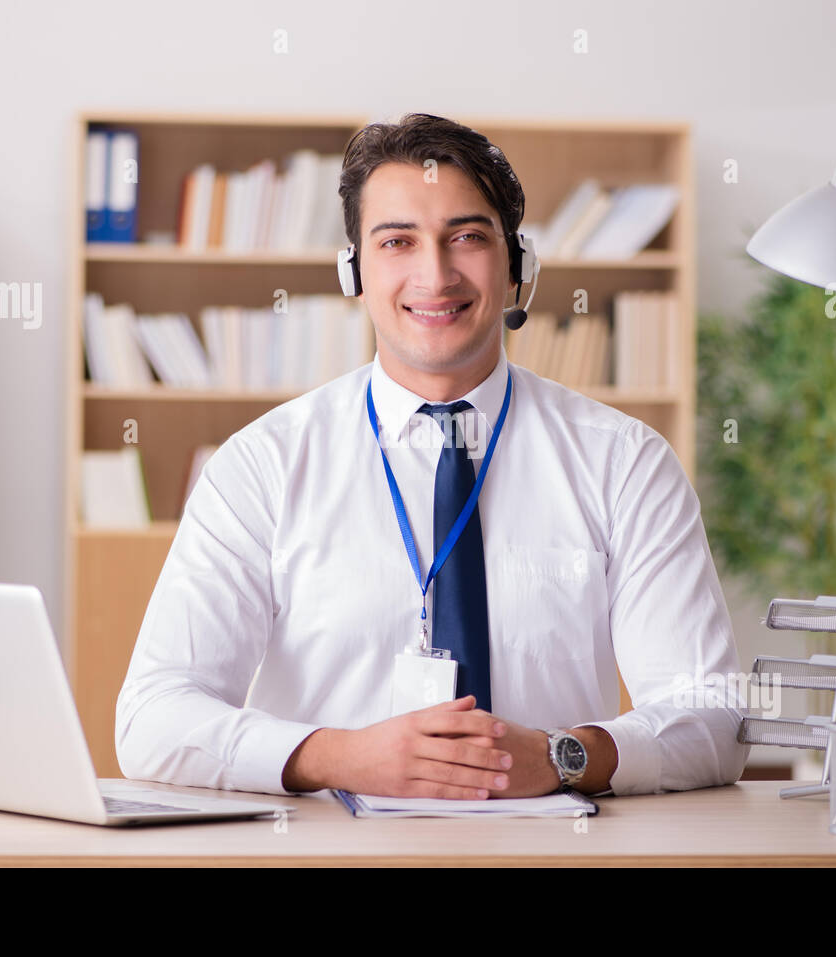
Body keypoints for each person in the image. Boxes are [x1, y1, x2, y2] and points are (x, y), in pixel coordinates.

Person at [115, 112, 750, 800]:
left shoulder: (625, 463)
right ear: (353, 270)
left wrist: (563, 754)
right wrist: (336, 756)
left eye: (468, 236)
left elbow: (715, 716)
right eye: (397, 241)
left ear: (519, 266)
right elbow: (151, 717)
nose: (435, 273)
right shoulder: (260, 466)